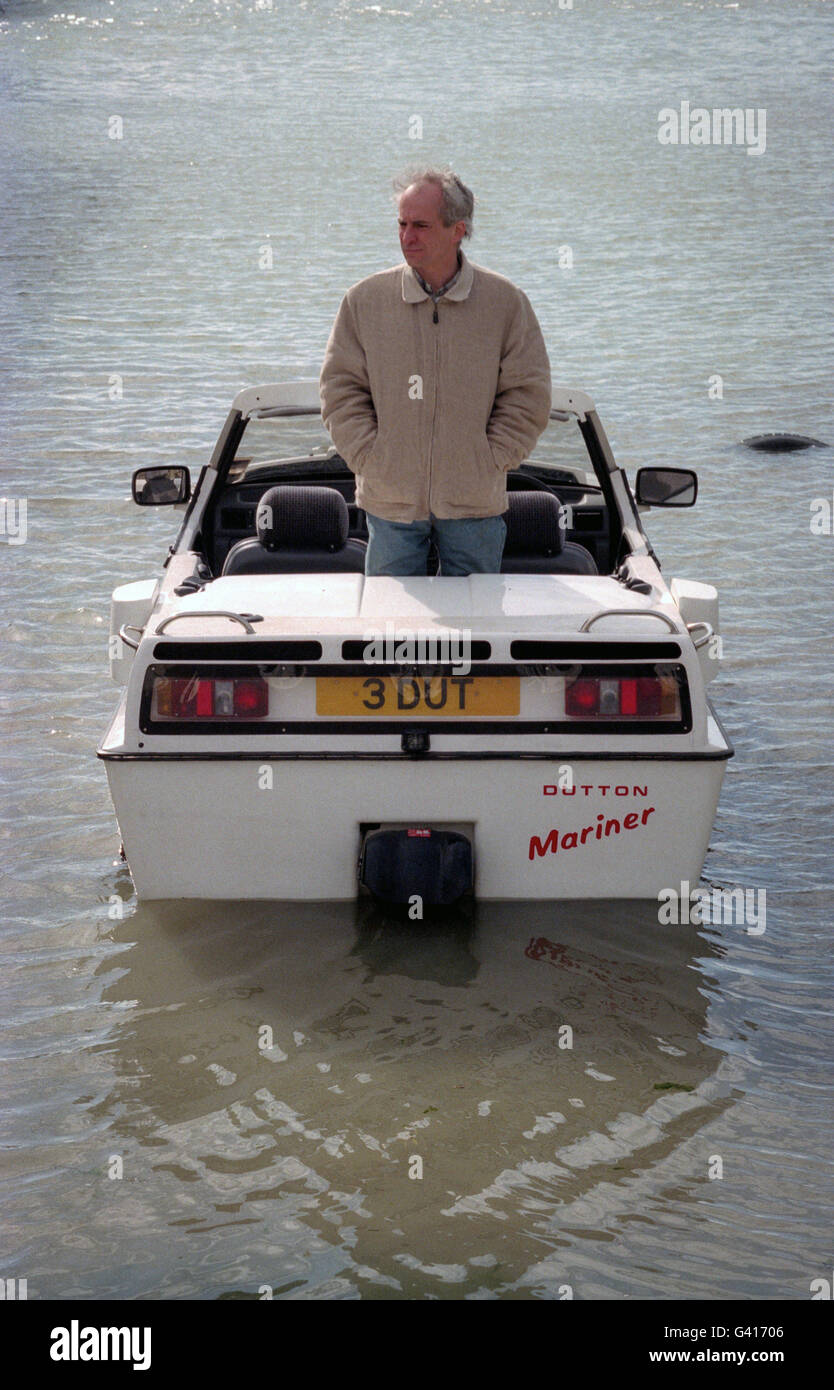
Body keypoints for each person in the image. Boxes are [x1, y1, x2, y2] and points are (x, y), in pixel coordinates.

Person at [319, 167, 552, 576]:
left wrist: (492, 457)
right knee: (389, 630)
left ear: (457, 229)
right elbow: (340, 390)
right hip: (390, 502)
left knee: (476, 631)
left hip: (474, 501)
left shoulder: (505, 303)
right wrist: (368, 456)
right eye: (402, 224)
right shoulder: (365, 300)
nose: (407, 236)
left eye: (421, 226)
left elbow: (528, 393)